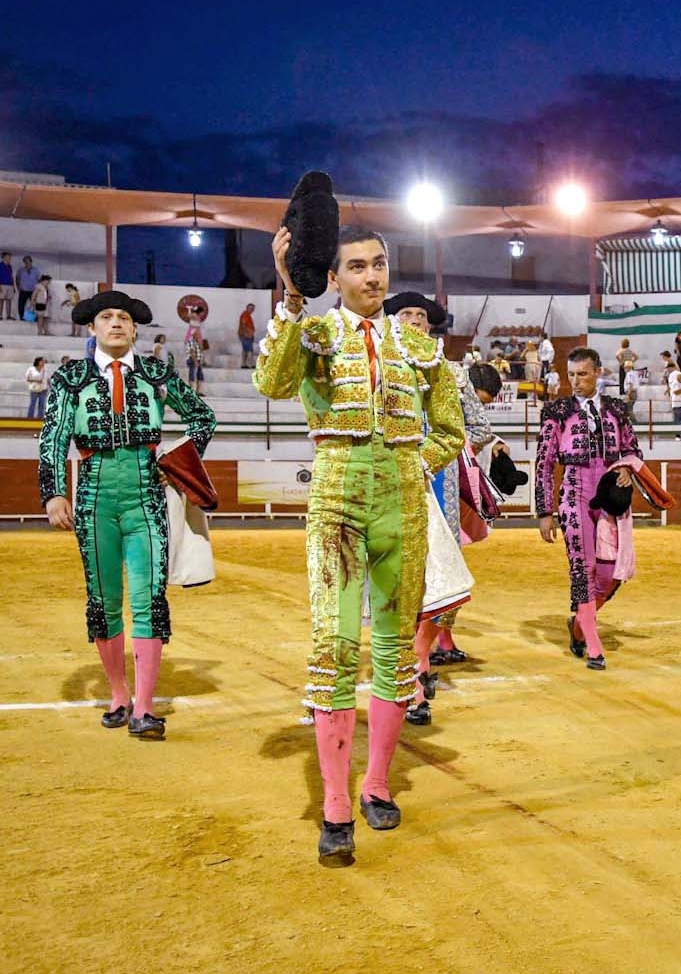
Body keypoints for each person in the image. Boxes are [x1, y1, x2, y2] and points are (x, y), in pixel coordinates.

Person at [254, 224, 464, 863]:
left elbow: (451, 427)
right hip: (338, 501)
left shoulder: (416, 340)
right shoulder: (313, 333)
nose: (372, 277)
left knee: (398, 649)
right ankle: (336, 803)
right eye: (357, 267)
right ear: (335, 276)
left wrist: (408, 462)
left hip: (400, 506)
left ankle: (375, 784)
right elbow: (272, 383)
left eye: (379, 264)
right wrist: (290, 295)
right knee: (336, 645)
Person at [38, 290, 215, 740]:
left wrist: (175, 467)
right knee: (103, 598)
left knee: (149, 597)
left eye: (123, 318)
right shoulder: (70, 378)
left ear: (135, 330)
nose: (115, 323)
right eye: (106, 317)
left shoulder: (156, 372)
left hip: (145, 494)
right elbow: (54, 437)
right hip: (95, 493)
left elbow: (202, 417)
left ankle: (144, 706)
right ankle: (118, 694)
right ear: (92, 328)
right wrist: (54, 493)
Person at [385, 292, 493, 725]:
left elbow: (479, 428)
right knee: (397, 581)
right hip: (390, 484)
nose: (414, 321)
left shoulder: (452, 372)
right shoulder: (380, 364)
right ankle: (414, 672)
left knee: (439, 581)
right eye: (406, 314)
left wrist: (450, 454)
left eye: (421, 316)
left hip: (438, 487)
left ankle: (419, 663)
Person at [535, 347, 643, 671]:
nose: (576, 381)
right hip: (575, 491)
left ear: (597, 372)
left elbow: (633, 449)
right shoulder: (557, 410)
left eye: (582, 374)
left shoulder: (617, 409)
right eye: (571, 375)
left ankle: (580, 625)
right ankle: (594, 646)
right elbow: (544, 462)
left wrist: (627, 469)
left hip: (609, 493)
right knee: (583, 568)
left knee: (611, 573)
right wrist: (545, 511)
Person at [184, 307, 206, 394]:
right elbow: (188, 316)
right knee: (192, 374)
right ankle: (192, 390)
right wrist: (190, 309)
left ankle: (198, 391)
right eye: (202, 312)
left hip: (196, 332)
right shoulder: (194, 315)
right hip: (193, 331)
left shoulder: (198, 319)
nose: (202, 314)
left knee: (199, 374)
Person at [238, 302, 257, 369]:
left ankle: (244, 364)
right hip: (246, 335)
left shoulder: (247, 315)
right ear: (247, 308)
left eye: (253, 309)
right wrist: (247, 334)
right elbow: (244, 325)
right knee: (250, 350)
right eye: (251, 308)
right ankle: (251, 364)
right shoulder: (245, 315)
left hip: (245, 335)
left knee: (245, 350)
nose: (252, 310)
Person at [0, 251, 14, 320]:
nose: (9, 259)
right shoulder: (0, 265)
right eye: (8, 257)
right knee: (1, 300)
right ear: (4, 257)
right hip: (2, 285)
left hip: (10, 285)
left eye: (10, 257)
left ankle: (8, 315)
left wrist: (13, 286)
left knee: (9, 300)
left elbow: (11, 276)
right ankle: (0, 316)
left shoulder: (10, 266)